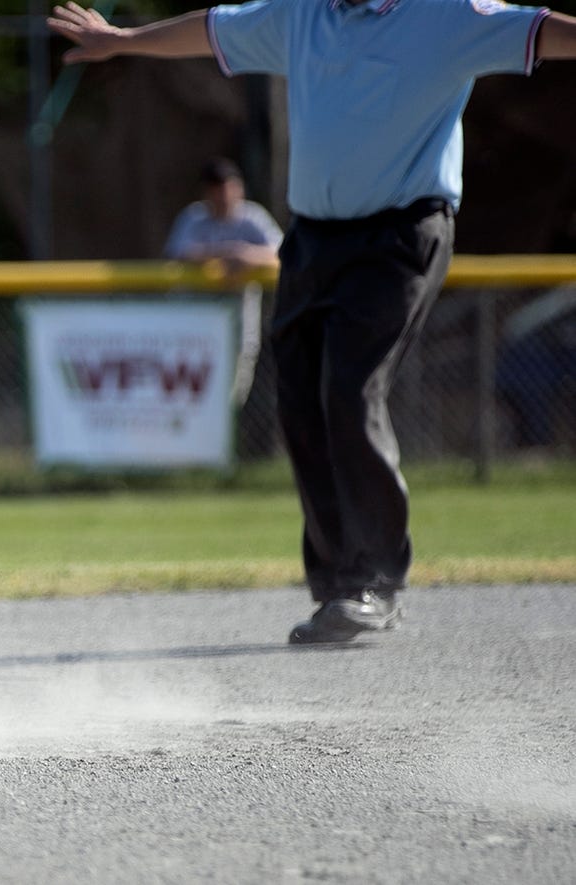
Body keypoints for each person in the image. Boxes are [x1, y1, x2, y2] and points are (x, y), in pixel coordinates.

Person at [49, 1, 576, 643]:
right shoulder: (303, 14)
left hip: (400, 235)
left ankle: (377, 581)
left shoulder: (447, 15)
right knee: (299, 402)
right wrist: (124, 41)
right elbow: (214, 28)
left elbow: (545, 32)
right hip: (313, 239)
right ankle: (337, 587)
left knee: (351, 389)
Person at [163, 156, 282, 274]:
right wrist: (222, 253)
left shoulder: (254, 216)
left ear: (241, 188)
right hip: (199, 292)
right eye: (216, 191)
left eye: (230, 188)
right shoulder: (193, 215)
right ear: (205, 192)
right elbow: (174, 253)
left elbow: (282, 252)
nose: (224, 196)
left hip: (243, 292)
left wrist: (247, 256)